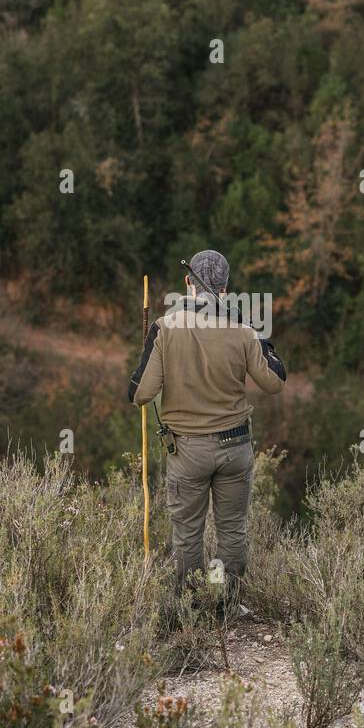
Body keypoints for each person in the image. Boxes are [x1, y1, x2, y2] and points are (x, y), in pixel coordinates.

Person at [129, 249, 286, 605]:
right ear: (226, 288)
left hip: (187, 452)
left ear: (188, 283)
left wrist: (148, 356)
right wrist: (257, 336)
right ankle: (224, 602)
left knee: (188, 535)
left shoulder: (165, 328)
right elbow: (275, 382)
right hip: (235, 449)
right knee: (231, 532)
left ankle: (192, 605)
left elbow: (141, 395)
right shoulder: (243, 331)